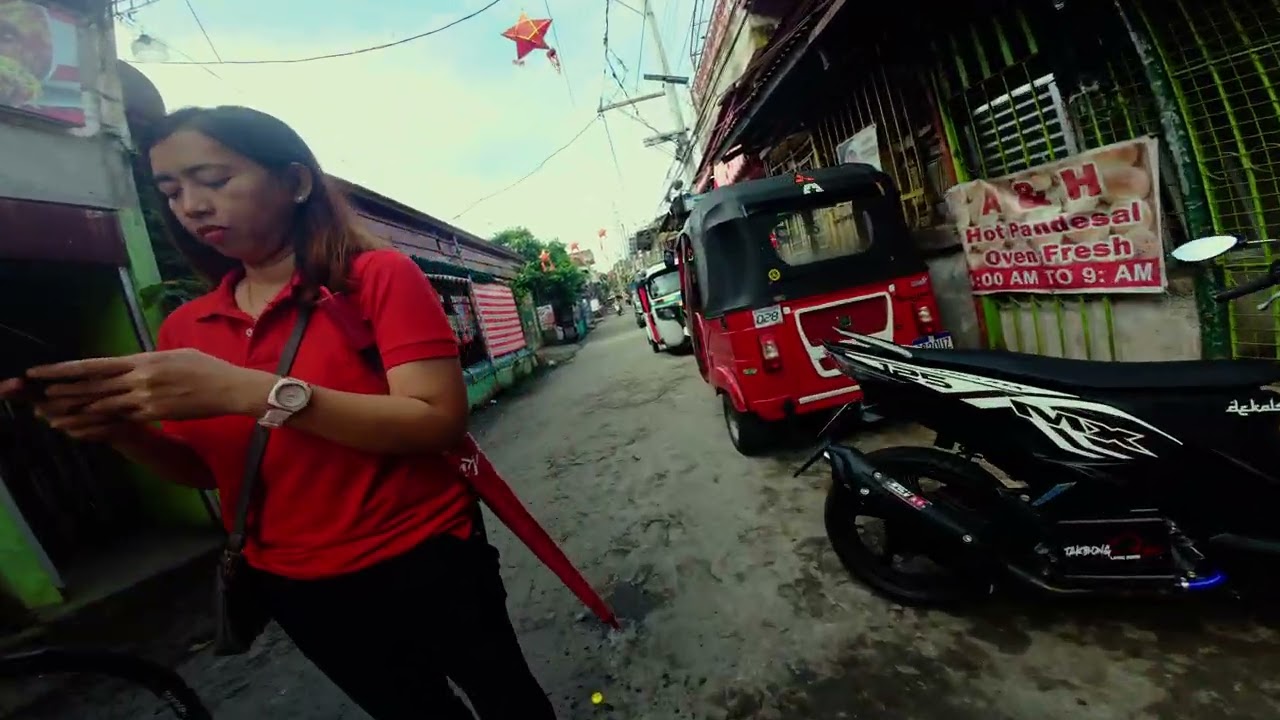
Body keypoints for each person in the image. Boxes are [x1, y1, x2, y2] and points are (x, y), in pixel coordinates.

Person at [0, 105, 556, 720]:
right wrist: (120, 432)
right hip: (296, 584)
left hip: (427, 554)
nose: (192, 206)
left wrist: (249, 391)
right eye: (172, 190)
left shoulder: (375, 277)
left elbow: (434, 420)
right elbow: (205, 472)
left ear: (295, 182)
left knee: (507, 699)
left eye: (213, 180)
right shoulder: (188, 326)